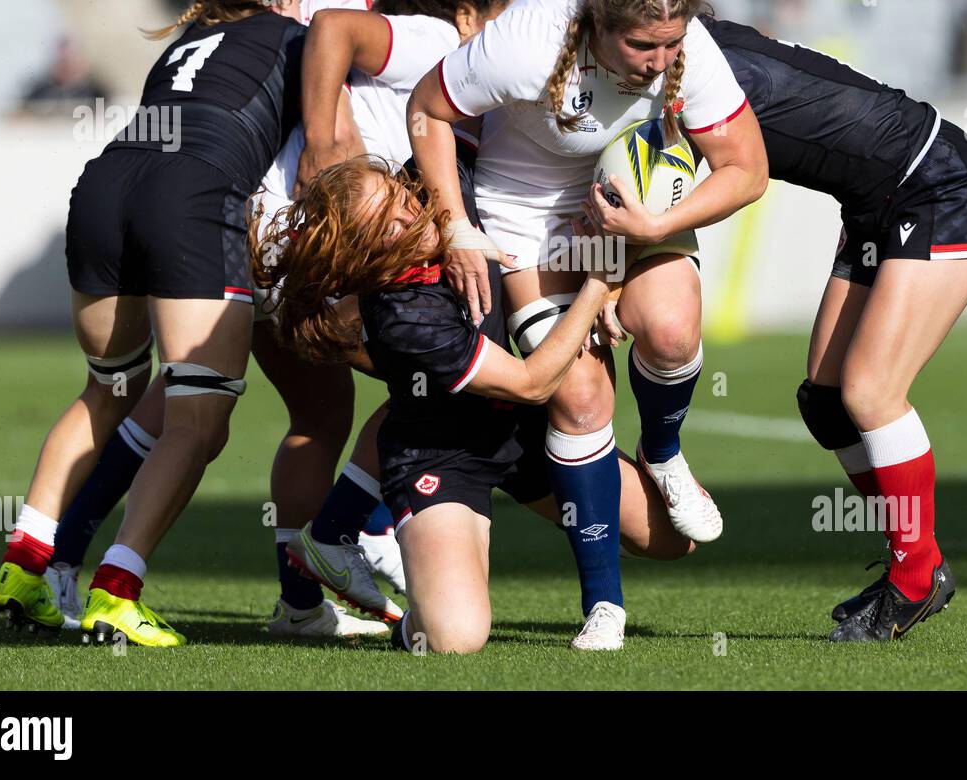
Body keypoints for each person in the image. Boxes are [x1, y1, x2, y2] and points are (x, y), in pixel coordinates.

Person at [43, 0, 401, 638]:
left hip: (279, 218)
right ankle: (354, 541)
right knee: (397, 377)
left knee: (245, 400)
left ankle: (68, 557)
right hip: (265, 220)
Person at [405, 0, 768, 648]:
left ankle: (663, 453)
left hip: (628, 208)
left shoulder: (685, 48)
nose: (659, 61)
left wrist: (648, 230)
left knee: (668, 328)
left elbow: (746, 170)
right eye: (642, 47)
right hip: (528, 218)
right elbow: (427, 109)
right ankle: (605, 605)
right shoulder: (530, 42)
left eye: (671, 44)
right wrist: (453, 225)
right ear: (599, 25)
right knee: (577, 392)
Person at [674, 0, 967, 641]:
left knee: (869, 392)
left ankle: (915, 574)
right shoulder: (694, 52)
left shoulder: (697, 75)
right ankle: (916, 560)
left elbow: (730, 184)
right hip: (879, 202)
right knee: (828, 402)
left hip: (941, 185)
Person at [0, 0, 311, 648]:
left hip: (105, 185)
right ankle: (117, 589)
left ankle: (23, 563)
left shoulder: (189, 39)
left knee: (108, 388)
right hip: (188, 197)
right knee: (200, 415)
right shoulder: (297, 36)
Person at [254, 153, 694, 653]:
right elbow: (532, 383)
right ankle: (412, 616)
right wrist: (597, 284)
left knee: (672, 542)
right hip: (442, 457)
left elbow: (443, 111)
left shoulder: (436, 192)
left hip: (520, 432)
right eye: (387, 226)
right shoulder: (408, 320)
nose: (409, 216)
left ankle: (338, 533)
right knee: (455, 637)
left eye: (400, 197)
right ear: (366, 256)